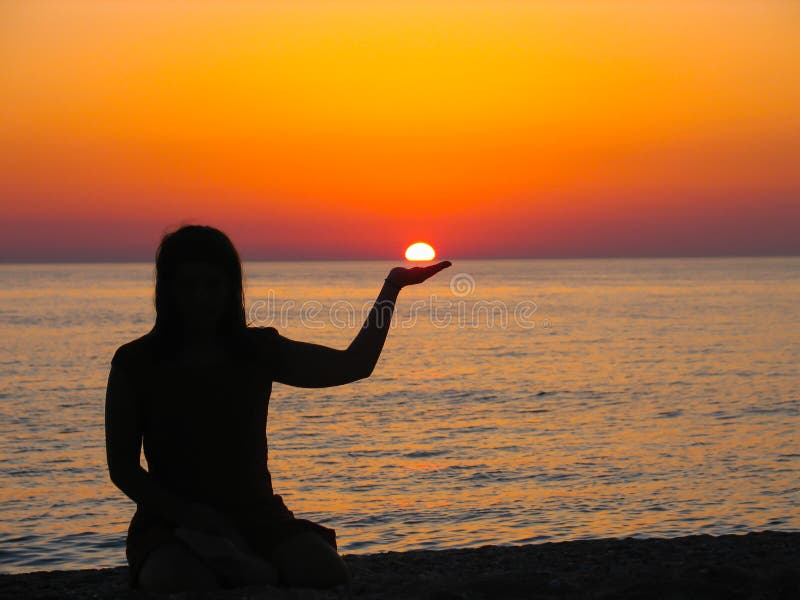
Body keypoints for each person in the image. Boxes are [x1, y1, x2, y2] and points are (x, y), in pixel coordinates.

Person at [104, 224, 451, 593]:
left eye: (212, 285)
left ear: (230, 289)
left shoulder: (256, 350)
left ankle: (244, 566)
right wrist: (189, 516)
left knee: (323, 571)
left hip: (257, 517)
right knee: (183, 581)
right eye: (188, 286)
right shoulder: (136, 362)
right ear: (168, 291)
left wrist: (392, 288)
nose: (200, 298)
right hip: (172, 522)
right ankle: (242, 568)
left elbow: (354, 364)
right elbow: (123, 469)